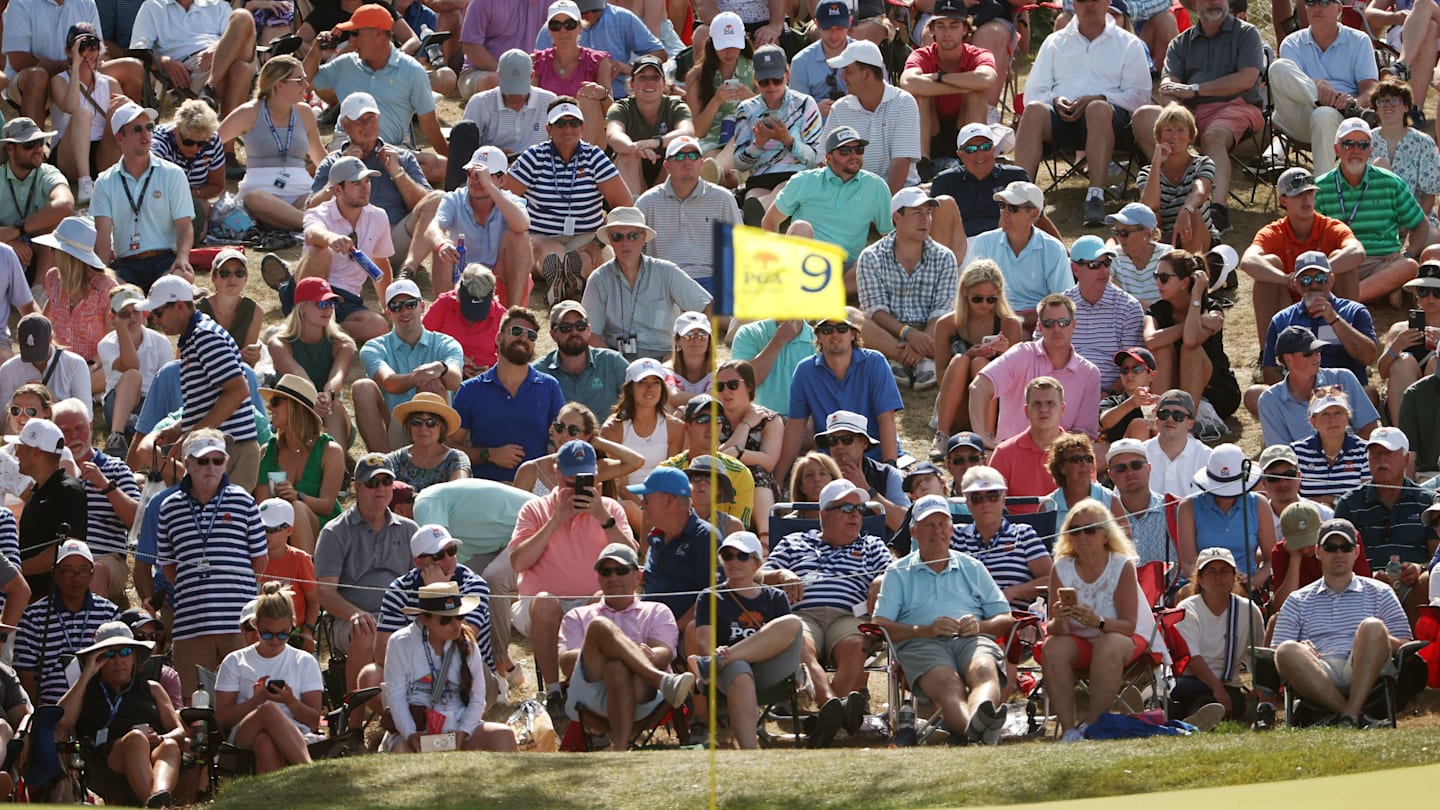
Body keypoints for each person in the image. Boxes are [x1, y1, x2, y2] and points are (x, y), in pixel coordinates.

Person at [873, 493, 1012, 746]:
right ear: (913, 532)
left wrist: (979, 626)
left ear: (951, 529)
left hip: (972, 638)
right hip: (921, 644)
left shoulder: (972, 566)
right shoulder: (898, 572)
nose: (937, 531)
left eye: (943, 524)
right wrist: (924, 630)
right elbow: (880, 624)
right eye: (929, 525)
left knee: (983, 670)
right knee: (949, 683)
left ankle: (976, 730)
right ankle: (978, 734)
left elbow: (1005, 617)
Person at [760, 480, 891, 748]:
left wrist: (881, 579)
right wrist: (781, 574)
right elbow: (757, 575)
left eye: (859, 509)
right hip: (803, 615)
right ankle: (834, 709)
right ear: (824, 514)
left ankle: (826, 720)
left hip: (849, 617)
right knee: (798, 641)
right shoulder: (794, 542)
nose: (855, 514)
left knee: (857, 645)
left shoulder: (872, 545)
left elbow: (897, 572)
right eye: (846, 508)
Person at [510, 439, 636, 715]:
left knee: (602, 600)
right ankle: (554, 692)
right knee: (545, 603)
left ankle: (588, 687)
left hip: (593, 601)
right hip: (540, 605)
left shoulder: (610, 509)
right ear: (557, 475)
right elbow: (518, 562)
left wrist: (602, 516)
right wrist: (555, 520)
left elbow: (632, 561)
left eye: (586, 482)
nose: (579, 489)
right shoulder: (535, 509)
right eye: (572, 483)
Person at [1129, 0, 1265, 233]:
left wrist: (1194, 90)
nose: (1213, 2)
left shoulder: (1246, 33)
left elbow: (1246, 79)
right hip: (1189, 113)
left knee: (1213, 135)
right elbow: (1168, 85)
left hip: (1236, 106)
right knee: (1144, 116)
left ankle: (1218, 211)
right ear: (1194, 4)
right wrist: (1175, 114)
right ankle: (1167, 198)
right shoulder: (1180, 42)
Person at [294, 93, 445, 298]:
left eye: (371, 118)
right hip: (346, 245)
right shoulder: (332, 162)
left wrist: (397, 173)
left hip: (394, 241)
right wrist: (338, 176)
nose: (367, 125)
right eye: (359, 120)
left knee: (438, 198)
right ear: (345, 126)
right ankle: (297, 275)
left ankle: (407, 272)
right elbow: (311, 211)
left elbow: (429, 207)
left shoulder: (400, 156)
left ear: (379, 120)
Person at [1013, 0, 1150, 225]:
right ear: (1073, 4)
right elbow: (1033, 94)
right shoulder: (1055, 42)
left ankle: (1095, 195)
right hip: (1061, 116)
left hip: (1110, 121)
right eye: (1082, 0)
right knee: (1034, 110)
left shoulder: (1128, 43)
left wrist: (1100, 97)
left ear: (1107, 2)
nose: (1089, 5)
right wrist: (1054, 100)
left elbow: (1140, 96)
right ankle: (1020, 195)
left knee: (1097, 109)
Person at [156, 431, 266, 698]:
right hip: (191, 623)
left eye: (218, 461)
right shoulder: (169, 507)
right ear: (188, 463)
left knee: (246, 698)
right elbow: (168, 567)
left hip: (238, 623)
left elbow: (260, 561)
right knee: (194, 706)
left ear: (226, 463)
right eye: (203, 461)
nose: (211, 467)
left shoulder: (244, 500)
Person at [1273, 518, 1412, 728]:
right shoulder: (1297, 599)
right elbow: (1277, 651)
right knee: (1286, 650)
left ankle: (1350, 714)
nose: (1338, 553)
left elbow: (1405, 644)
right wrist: (1300, 647)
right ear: (1318, 552)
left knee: (1372, 626)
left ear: (1356, 552)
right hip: (1318, 668)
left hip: (1364, 666)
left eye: (1345, 547)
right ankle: (1353, 717)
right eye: (1331, 547)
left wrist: (1372, 638)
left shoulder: (1380, 592)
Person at [1039, 498, 1158, 741]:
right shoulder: (1061, 567)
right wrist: (1061, 619)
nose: (1082, 536)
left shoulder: (1121, 565)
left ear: (1105, 534)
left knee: (1108, 644)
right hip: (1079, 639)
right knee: (1053, 647)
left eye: (1090, 530)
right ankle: (1069, 730)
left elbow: (1128, 625)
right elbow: (1053, 627)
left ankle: (1093, 727)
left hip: (1123, 636)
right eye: (1075, 530)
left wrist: (1098, 622)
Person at [557, 543, 694, 748]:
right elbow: (566, 664)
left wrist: (616, 655)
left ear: (637, 576)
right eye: (605, 571)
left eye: (621, 570)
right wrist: (618, 649)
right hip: (591, 697)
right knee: (599, 627)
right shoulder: (577, 616)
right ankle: (664, 681)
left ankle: (619, 750)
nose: (613, 577)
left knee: (616, 668)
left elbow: (663, 655)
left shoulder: (657, 611)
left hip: (643, 697)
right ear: (598, 577)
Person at [137, 275, 261, 490]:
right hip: (222, 449)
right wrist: (180, 427)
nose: (154, 320)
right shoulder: (195, 338)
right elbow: (206, 400)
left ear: (179, 307)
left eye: (158, 313)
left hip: (232, 451)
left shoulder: (205, 336)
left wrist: (192, 434)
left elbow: (238, 391)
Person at [504, 98, 633, 297]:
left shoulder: (595, 157)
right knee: (551, 253)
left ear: (582, 127)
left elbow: (623, 205)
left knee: (587, 259)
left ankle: (562, 285)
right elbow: (506, 198)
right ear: (549, 128)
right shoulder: (533, 156)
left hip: (585, 236)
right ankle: (568, 283)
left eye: (574, 123)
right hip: (542, 235)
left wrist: (599, 242)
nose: (568, 129)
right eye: (561, 123)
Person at [304, 3, 448, 181]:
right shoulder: (345, 63)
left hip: (390, 150)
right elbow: (304, 82)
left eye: (356, 33)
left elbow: (429, 125)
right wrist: (316, 51)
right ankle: (369, 178)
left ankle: (350, 177)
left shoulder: (412, 71)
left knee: (439, 165)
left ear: (379, 33)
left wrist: (453, 164)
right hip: (347, 148)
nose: (351, 40)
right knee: (334, 162)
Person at [686, 531, 802, 750]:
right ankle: (750, 752)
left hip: (767, 669)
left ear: (757, 563)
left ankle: (715, 663)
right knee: (739, 666)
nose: (733, 561)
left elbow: (782, 643)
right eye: (728, 555)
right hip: (729, 674)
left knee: (793, 622)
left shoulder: (774, 597)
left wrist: (724, 656)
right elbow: (704, 643)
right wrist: (718, 653)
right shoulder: (710, 596)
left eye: (742, 556)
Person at [316, 454, 419, 691]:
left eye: (386, 482)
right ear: (357, 487)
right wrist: (355, 614)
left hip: (402, 616)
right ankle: (354, 717)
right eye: (373, 483)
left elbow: (420, 584)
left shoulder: (409, 529)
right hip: (351, 621)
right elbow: (325, 593)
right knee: (365, 631)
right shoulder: (334, 532)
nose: (380, 489)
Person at [383, 581, 517, 752]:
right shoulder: (399, 643)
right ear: (425, 619)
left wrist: (463, 731)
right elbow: (396, 697)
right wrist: (410, 734)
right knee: (402, 751)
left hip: (459, 723)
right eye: (446, 619)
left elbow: (477, 699)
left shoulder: (468, 643)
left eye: (459, 617)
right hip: (417, 728)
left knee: (504, 735)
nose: (456, 625)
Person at [58, 622, 181, 807]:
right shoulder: (85, 690)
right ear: (99, 658)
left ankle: (157, 801)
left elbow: (179, 731)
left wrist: (161, 738)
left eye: (124, 652)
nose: (118, 661)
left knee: (170, 745)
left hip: (153, 750)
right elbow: (63, 721)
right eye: (109, 654)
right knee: (136, 739)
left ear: (134, 656)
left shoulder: (152, 688)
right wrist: (87, 673)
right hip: (104, 759)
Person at [1240, 167, 1365, 345]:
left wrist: (1320, 273)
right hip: (1288, 306)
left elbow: (1357, 252)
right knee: (1269, 264)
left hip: (1328, 303)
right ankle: (1266, 354)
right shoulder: (1274, 232)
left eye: (1310, 193)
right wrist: (1287, 279)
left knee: (1343, 260)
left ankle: (1352, 344)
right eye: (1298, 195)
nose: (1306, 199)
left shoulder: (1331, 226)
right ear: (1283, 200)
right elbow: (1247, 261)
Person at [761, 126, 893, 293]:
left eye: (859, 150)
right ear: (828, 157)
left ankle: (825, 295)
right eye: (845, 151)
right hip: (804, 263)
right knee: (801, 227)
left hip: (846, 270)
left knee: (869, 260)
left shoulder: (876, 186)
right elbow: (770, 221)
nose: (854, 156)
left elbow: (889, 235)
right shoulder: (804, 181)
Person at [285, 149, 396, 346]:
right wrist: (331, 238)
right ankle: (304, 318)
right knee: (321, 250)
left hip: (346, 298)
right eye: (356, 183)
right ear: (338, 190)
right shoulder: (318, 213)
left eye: (367, 181)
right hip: (310, 291)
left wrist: (390, 305)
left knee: (378, 326)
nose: (365, 188)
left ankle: (315, 330)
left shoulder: (379, 216)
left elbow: (380, 263)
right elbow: (312, 233)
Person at [777, 311, 904, 479]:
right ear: (818, 336)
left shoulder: (875, 362)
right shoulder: (804, 371)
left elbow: (886, 420)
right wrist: (777, 480)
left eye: (842, 328)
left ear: (853, 334)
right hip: (830, 465)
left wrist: (889, 470)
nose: (834, 334)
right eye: (827, 329)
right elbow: (795, 427)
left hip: (877, 460)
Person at [856, 187, 960, 394]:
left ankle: (900, 359)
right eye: (917, 213)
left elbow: (943, 309)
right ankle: (914, 358)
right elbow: (876, 310)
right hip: (888, 330)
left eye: (928, 213)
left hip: (931, 330)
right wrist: (908, 334)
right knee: (847, 315)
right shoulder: (871, 256)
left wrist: (921, 339)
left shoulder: (945, 256)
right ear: (897, 217)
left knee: (954, 320)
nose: (926, 220)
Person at [1314, 119, 1428, 303]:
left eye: (1362, 144)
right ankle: (1381, 292)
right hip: (1340, 261)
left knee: (1408, 266)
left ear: (1370, 150)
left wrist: (1407, 252)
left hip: (1381, 262)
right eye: (1348, 144)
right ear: (1336, 149)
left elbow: (1421, 224)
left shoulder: (1390, 182)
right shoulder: (1320, 187)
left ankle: (1346, 302)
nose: (1355, 150)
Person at [214, 581, 324, 774]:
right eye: (267, 634)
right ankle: (309, 772)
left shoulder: (303, 661)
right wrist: (256, 700)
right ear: (256, 625)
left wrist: (290, 702)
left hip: (295, 734)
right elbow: (222, 719)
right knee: (267, 710)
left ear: (293, 625)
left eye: (283, 635)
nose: (275, 641)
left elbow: (314, 721)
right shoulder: (235, 661)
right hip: (243, 735)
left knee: (265, 742)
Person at [969, 294, 1102, 448]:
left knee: (1103, 451)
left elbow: (1083, 435)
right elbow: (978, 387)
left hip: (1060, 457)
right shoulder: (1021, 354)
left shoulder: (1090, 373)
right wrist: (981, 437)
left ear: (1073, 325)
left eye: (1063, 322)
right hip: (1013, 453)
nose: (1057, 328)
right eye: (1049, 323)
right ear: (1039, 327)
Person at [581, 207, 712, 361]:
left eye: (632, 236)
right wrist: (617, 363)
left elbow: (707, 307)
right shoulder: (598, 279)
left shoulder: (666, 271)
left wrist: (680, 353)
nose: (625, 242)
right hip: (618, 360)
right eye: (618, 237)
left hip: (666, 360)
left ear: (643, 238)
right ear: (610, 240)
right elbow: (590, 334)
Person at [215, 55, 327, 233]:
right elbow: (212, 143)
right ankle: (316, 226)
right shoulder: (250, 112)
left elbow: (321, 158)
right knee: (253, 199)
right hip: (262, 194)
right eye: (300, 80)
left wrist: (339, 173)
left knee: (331, 196)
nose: (306, 85)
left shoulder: (304, 113)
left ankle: (293, 222)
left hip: (302, 194)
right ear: (279, 84)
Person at [1333, 427, 1433, 624]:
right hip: (1366, 588)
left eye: (1388, 453)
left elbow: (1436, 556)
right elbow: (1336, 557)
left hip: (1415, 588)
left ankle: (1415, 650)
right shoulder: (1349, 504)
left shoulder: (1427, 502)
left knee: (1429, 579)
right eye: (1375, 454)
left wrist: (1419, 569)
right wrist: (1367, 576)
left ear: (1406, 459)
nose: (1381, 460)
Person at [451, 306, 564, 482]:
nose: (524, 338)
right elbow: (450, 448)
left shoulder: (550, 387)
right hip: (487, 488)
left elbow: (561, 443)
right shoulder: (470, 390)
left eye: (531, 335)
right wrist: (489, 454)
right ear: (498, 337)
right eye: (517, 330)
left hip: (536, 491)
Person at [352, 279, 464, 454]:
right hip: (396, 428)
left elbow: (455, 380)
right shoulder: (373, 347)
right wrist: (420, 375)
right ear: (388, 312)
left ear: (422, 306)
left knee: (432, 383)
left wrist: (440, 368)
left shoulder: (446, 343)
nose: (404, 311)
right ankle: (384, 466)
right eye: (396, 307)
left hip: (436, 428)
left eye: (410, 304)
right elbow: (389, 382)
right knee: (362, 387)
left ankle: (435, 458)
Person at [92, 103, 195, 292]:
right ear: (119, 137)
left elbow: (185, 225)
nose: (146, 134)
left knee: (181, 277)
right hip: (125, 265)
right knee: (105, 287)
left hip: (165, 260)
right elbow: (103, 237)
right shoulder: (104, 182)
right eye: (137, 129)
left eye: (149, 127)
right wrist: (101, 272)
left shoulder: (173, 174)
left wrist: (182, 257)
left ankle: (152, 301)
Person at [1269, 1, 1377, 175]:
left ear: (1340, 9)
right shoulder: (1292, 43)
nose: (1317, 8)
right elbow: (1292, 83)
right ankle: (1335, 103)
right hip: (1299, 116)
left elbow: (1370, 89)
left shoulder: (1359, 41)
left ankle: (1322, 192)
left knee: (1324, 115)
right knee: (1278, 67)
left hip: (1339, 119)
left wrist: (1355, 102)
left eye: (1325, 2)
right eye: (1311, 2)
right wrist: (1316, 86)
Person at [930, 259, 1023, 457]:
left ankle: (987, 434)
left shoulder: (1010, 324)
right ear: (964, 292)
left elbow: (1015, 384)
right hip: (956, 405)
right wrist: (968, 354)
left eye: (992, 299)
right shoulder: (947, 324)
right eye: (978, 298)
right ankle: (942, 435)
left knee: (981, 364)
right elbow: (940, 378)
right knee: (960, 361)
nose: (984, 305)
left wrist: (1004, 356)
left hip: (993, 407)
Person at [51, 397, 137, 606]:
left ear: (90, 426)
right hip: (56, 558)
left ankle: (90, 632)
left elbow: (138, 521)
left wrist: (106, 486)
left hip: (104, 559)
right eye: (65, 431)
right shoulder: (49, 470)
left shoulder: (115, 469)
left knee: (90, 572)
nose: (73, 437)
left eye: (79, 428)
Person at [1146, 249, 1241, 427]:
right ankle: (1156, 428)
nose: (1158, 282)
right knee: (1162, 349)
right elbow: (1150, 341)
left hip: (1217, 391)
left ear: (1184, 282)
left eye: (1164, 277)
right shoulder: (1158, 309)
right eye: (1156, 276)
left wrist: (1196, 296)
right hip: (1176, 388)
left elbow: (1190, 340)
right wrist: (1198, 321)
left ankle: (1184, 428)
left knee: (1191, 351)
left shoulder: (1211, 308)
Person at [15, 538, 116, 704]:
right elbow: (26, 675)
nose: (76, 578)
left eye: (83, 570)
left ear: (92, 573)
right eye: (68, 570)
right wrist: (44, 715)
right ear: (55, 574)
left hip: (97, 707)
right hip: (50, 706)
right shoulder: (33, 616)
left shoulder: (109, 613)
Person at [1255, 252, 1379, 387]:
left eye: (1320, 279)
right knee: (1254, 394)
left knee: (1370, 393)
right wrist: (1300, 393)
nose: (1314, 285)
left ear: (1331, 280)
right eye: (1306, 280)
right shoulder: (1281, 319)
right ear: (1296, 284)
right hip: (1300, 394)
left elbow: (1368, 357)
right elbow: (1269, 369)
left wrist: (1334, 319)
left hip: (1344, 390)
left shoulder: (1354, 311)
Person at [635, 136, 740, 294]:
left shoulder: (723, 199)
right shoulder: (647, 202)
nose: (687, 161)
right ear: (666, 165)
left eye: (693, 156)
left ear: (701, 163)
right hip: (662, 283)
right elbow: (635, 252)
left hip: (711, 280)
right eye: (679, 156)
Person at [1171, 547, 1264, 726]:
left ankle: (1195, 718)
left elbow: (1258, 653)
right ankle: (1198, 716)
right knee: (1196, 695)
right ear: (1199, 578)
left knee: (1228, 702)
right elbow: (1191, 656)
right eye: (1211, 571)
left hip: (1230, 685)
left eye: (1224, 571)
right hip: (1193, 682)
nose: (1218, 577)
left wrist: (1260, 692)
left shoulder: (1249, 610)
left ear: (1233, 577)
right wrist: (1216, 688)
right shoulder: (1186, 609)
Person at [728, 46, 822, 224]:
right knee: (754, 199)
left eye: (777, 79)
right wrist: (758, 145)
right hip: (760, 177)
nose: (771, 86)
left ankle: (757, 215)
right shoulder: (746, 109)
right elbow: (739, 164)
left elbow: (816, 157)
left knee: (784, 189)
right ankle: (757, 213)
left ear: (787, 75)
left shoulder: (804, 104)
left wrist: (788, 141)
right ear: (755, 79)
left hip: (795, 175)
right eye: (764, 81)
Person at [253, 374, 345, 553]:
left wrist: (297, 496)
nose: (270, 407)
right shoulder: (267, 451)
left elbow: (327, 506)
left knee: (297, 508)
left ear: (297, 408)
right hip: (277, 530)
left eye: (276, 401)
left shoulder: (330, 451)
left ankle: (305, 576)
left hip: (325, 532)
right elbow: (262, 507)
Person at [899, 0, 996, 166]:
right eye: (941, 26)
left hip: (964, 127)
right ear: (932, 29)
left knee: (976, 95)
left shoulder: (978, 54)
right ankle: (923, 165)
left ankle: (973, 163)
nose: (947, 32)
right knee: (920, 96)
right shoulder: (922, 55)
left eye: (954, 25)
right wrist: (964, 84)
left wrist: (940, 77)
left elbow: (987, 79)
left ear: (965, 28)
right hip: (931, 129)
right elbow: (908, 82)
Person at [426, 148, 530, 302]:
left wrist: (490, 187)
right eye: (471, 174)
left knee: (520, 238)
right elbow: (433, 228)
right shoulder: (454, 198)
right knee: (441, 248)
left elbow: (522, 225)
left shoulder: (511, 201)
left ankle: (513, 316)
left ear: (501, 180)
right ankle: (445, 315)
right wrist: (442, 244)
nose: (476, 180)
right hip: (462, 277)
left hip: (498, 277)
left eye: (484, 175)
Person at [265, 277, 356, 448]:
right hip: (294, 414)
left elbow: (337, 376)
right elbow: (298, 375)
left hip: (329, 416)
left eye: (332, 303)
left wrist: (327, 396)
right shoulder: (278, 343)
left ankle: (339, 469)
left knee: (333, 407)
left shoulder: (343, 344)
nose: (328, 309)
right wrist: (313, 397)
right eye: (321, 304)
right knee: (296, 406)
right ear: (302, 307)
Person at [965, 182, 1071, 328]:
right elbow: (968, 291)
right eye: (1002, 205)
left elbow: (1062, 303)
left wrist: (1016, 321)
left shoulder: (1054, 249)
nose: (1004, 212)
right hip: (989, 318)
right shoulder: (984, 242)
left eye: (1013, 208)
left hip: (1036, 324)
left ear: (1033, 214)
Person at [821, 40, 922, 193]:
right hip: (851, 195)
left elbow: (901, 163)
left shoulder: (903, 102)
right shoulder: (839, 108)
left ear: (866, 73)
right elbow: (824, 160)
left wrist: (882, 209)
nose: (842, 77)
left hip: (900, 194)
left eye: (848, 70)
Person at [130, 0, 257, 121]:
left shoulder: (218, 5)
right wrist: (165, 62)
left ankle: (209, 88)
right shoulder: (153, 6)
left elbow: (237, 38)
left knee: (242, 17)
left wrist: (217, 46)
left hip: (220, 58)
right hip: (190, 66)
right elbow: (139, 52)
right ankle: (225, 141)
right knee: (242, 70)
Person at [931, 123, 1061, 241]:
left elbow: (1037, 218)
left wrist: (1064, 253)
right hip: (962, 249)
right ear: (960, 154)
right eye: (971, 149)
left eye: (985, 147)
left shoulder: (1014, 176)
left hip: (1007, 244)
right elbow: (934, 230)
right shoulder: (945, 182)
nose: (980, 154)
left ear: (994, 149)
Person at [1255, 325, 1380, 445]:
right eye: (1309, 353)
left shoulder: (1343, 378)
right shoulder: (1270, 401)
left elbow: (1370, 430)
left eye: (1318, 350)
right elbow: (1282, 455)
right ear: (1288, 359)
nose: (1317, 356)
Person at [952, 466, 1052, 609]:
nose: (985, 503)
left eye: (992, 496)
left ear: (1003, 499)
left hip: (1013, 618)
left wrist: (1014, 592)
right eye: (977, 498)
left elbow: (1052, 579)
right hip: (965, 616)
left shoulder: (1023, 534)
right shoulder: (954, 535)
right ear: (968, 503)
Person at [1177, 443, 1276, 588]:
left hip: (1246, 586)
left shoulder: (1259, 504)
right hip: (1199, 586)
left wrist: (1252, 582)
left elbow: (1271, 559)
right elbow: (1188, 564)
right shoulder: (1187, 507)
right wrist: (1211, 584)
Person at [12, 419, 88, 597]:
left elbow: (64, 551)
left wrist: (13, 573)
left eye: (21, 447)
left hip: (54, 605)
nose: (16, 453)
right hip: (34, 599)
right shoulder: (37, 492)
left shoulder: (68, 492)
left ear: (36, 452)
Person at [46, 22, 120, 203]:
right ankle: (85, 183)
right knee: (82, 113)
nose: (88, 52)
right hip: (68, 154)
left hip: (100, 153)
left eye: (93, 47)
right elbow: (71, 107)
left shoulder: (109, 83)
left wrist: (125, 105)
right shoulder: (60, 81)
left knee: (121, 112)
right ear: (68, 51)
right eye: (81, 47)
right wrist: (77, 65)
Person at [535, 0, 665, 101]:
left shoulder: (622, 17)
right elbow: (539, 66)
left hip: (618, 96)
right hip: (557, 102)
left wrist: (630, 67)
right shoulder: (553, 27)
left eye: (595, 10)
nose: (590, 15)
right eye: (585, 11)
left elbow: (660, 54)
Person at [1064, 235, 1145, 393]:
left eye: (1107, 263)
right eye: (1094, 265)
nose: (1104, 270)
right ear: (1075, 269)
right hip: (1062, 395)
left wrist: (1106, 396)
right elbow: (1041, 358)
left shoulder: (1128, 307)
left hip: (1109, 398)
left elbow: (1133, 367)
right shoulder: (1059, 306)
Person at [39, 213, 113, 386]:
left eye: (53, 249)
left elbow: (112, 339)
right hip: (60, 363)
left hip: (95, 367)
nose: (50, 254)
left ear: (68, 257)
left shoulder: (106, 288)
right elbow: (46, 317)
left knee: (113, 371)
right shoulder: (52, 278)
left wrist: (91, 365)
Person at [529, 0, 614, 147]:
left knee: (588, 96)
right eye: (555, 26)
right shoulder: (536, 61)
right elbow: (529, 107)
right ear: (548, 30)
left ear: (580, 27)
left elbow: (611, 110)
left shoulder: (599, 61)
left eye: (569, 24)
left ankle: (582, 160)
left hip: (590, 140)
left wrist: (602, 94)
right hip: (548, 135)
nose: (563, 31)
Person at [1136, 104, 1218, 253]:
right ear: (1159, 136)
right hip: (1167, 237)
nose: (1175, 136)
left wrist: (1185, 210)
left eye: (1181, 130)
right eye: (1168, 130)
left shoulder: (1202, 163)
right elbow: (1149, 206)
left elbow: (1200, 191)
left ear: (1190, 135)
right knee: (1152, 216)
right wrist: (1156, 164)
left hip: (1201, 237)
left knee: (1193, 213)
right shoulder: (1146, 173)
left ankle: (1193, 263)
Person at [602, 357, 684, 506]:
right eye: (642, 383)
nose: (650, 388)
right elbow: (621, 487)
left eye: (656, 382)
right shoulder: (613, 429)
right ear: (630, 388)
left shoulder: (675, 427)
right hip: (628, 504)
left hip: (663, 503)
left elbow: (671, 476)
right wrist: (646, 510)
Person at [95, 284, 167, 454]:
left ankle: (140, 427)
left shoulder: (160, 342)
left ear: (145, 313)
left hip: (149, 402)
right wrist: (120, 328)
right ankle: (116, 436)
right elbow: (130, 364)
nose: (131, 318)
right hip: (117, 404)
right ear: (113, 317)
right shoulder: (107, 344)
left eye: (136, 311)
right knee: (133, 375)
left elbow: (164, 384)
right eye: (124, 314)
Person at [681, 13, 755, 178]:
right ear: (712, 43)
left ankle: (720, 173)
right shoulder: (696, 76)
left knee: (741, 133)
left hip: (749, 136)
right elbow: (698, 131)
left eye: (733, 45)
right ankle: (733, 178)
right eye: (723, 45)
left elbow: (771, 111)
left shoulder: (755, 68)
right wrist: (716, 101)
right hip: (712, 140)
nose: (729, 51)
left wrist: (750, 98)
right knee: (709, 163)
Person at [714, 360, 781, 539]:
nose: (726, 391)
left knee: (756, 472)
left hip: (760, 489)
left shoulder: (770, 419)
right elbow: (716, 460)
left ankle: (766, 538)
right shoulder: (711, 418)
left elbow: (768, 462)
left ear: (749, 387)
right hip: (721, 481)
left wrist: (738, 453)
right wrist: (745, 424)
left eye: (733, 385)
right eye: (720, 386)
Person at [0, 119, 74, 279]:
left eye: (40, 142)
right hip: (6, 252)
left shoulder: (48, 172)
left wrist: (18, 230)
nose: (38, 149)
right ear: (10, 148)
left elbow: (65, 204)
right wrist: (7, 242)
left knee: (55, 230)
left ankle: (39, 295)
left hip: (42, 248)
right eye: (29, 144)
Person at [534, 300, 629, 420]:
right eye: (566, 328)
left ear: (588, 330)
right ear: (553, 335)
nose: (574, 332)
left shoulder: (612, 362)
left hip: (605, 438)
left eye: (580, 326)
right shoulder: (539, 373)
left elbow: (640, 399)